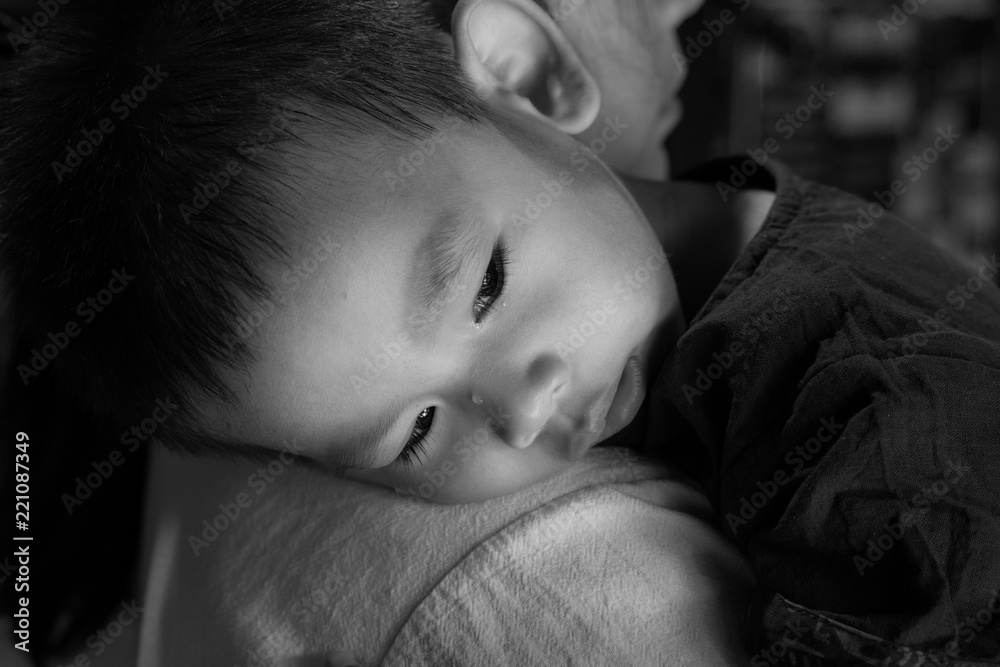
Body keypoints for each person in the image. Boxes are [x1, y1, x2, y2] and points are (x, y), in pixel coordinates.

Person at [1, 0, 997, 664]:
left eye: (486, 287)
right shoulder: (696, 265)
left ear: (527, 79)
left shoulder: (862, 413)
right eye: (414, 432)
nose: (521, 413)